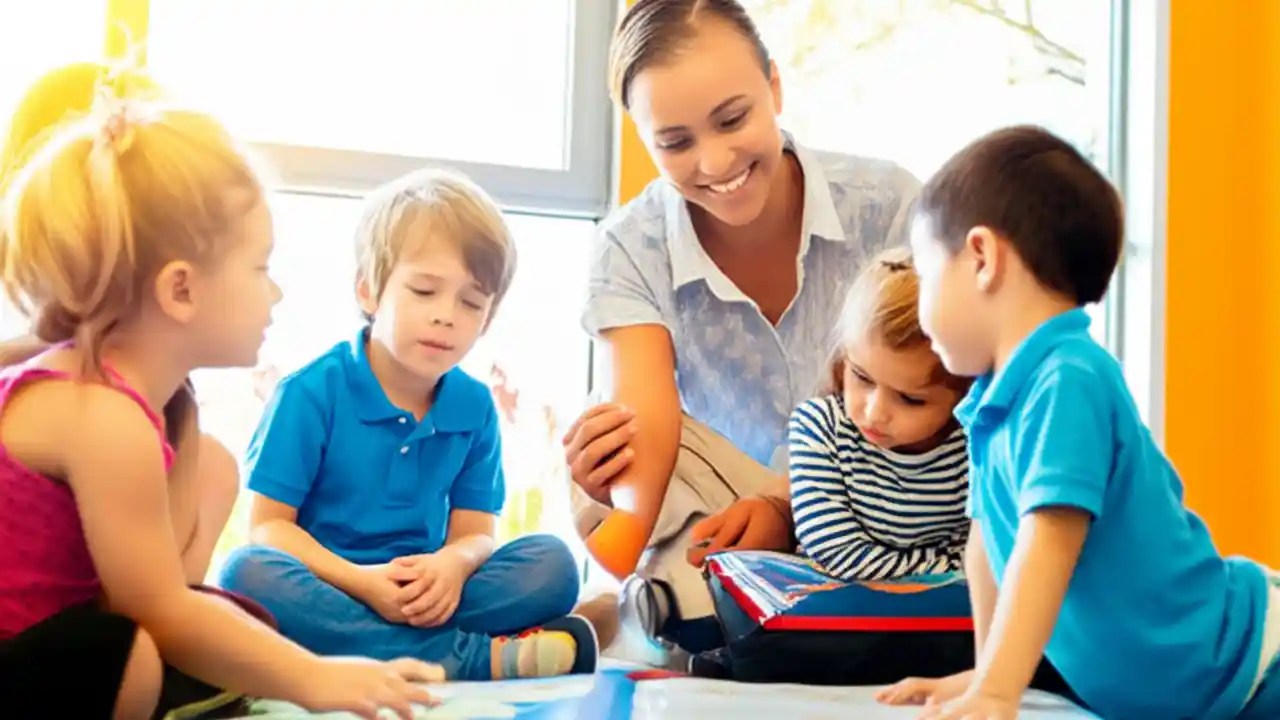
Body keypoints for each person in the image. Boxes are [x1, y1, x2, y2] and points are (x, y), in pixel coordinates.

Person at [0, 85, 439, 719]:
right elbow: (158, 609)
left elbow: (170, 580)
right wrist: (314, 679)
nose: (277, 293)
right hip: (35, 648)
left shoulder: (149, 405)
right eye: (261, 268)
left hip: (54, 638)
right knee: (132, 654)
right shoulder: (99, 414)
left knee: (219, 594)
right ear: (181, 289)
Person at [876, 125, 1280, 719]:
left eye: (928, 273)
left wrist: (998, 693)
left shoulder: (1068, 377)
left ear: (982, 258)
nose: (923, 303)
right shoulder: (994, 403)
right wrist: (983, 676)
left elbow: (1049, 539)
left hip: (1247, 660)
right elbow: (986, 545)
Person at [563, 0, 920, 655]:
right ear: (645, 139)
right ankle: (654, 600)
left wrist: (789, 508)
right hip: (720, 523)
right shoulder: (631, 246)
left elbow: (936, 396)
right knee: (612, 423)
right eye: (675, 142)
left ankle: (665, 610)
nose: (716, 160)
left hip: (878, 490)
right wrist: (612, 518)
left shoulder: (890, 205)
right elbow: (649, 419)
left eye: (734, 119)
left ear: (774, 88)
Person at [219, 168, 597, 681]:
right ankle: (464, 657)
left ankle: (383, 647)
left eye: (471, 302)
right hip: (332, 584)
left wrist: (453, 566)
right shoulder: (310, 393)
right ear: (369, 291)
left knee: (553, 566)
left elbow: (476, 534)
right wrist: (364, 582)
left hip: (430, 591)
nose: (447, 316)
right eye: (424, 291)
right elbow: (267, 526)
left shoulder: (475, 407)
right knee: (246, 574)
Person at [789, 247, 970, 582]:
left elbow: (991, 551)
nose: (875, 413)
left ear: (964, 397)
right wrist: (949, 567)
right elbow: (836, 553)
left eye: (910, 400)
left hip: (944, 622)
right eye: (862, 377)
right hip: (838, 619)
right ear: (844, 357)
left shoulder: (974, 445)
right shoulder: (819, 428)